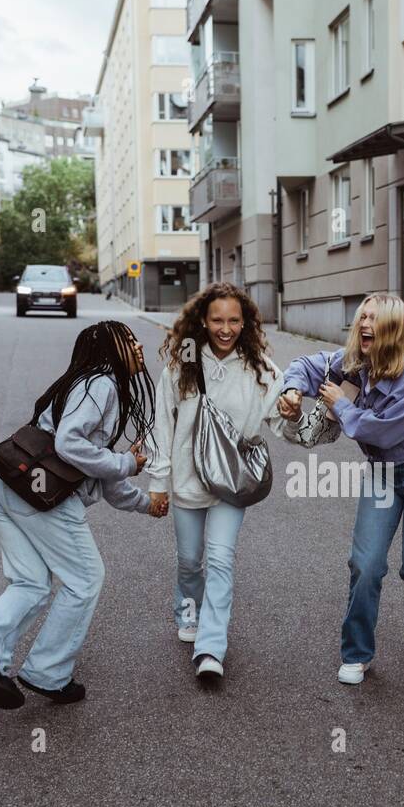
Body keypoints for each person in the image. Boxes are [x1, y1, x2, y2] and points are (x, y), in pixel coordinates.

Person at [0, 321, 165, 710]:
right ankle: (47, 673)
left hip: (7, 485)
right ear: (109, 351)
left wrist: (143, 501)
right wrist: (126, 462)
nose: (139, 347)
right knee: (86, 578)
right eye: (130, 341)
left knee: (30, 583)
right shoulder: (102, 383)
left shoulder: (86, 381)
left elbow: (103, 473)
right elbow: (71, 444)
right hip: (39, 497)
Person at [279, 293, 404, 686]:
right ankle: (357, 653)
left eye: (373, 318)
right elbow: (307, 364)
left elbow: (380, 431)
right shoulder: (356, 363)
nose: (363, 324)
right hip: (382, 475)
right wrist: (291, 391)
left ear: (392, 328)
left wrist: (340, 404)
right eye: (362, 317)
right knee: (366, 564)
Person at [148, 282, 286, 680]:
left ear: (245, 323)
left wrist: (295, 411)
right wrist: (159, 481)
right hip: (190, 481)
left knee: (221, 559)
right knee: (190, 560)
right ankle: (188, 610)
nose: (226, 329)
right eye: (217, 321)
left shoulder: (260, 367)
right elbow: (162, 423)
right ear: (203, 322)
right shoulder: (182, 364)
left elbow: (281, 423)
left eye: (234, 321)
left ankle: (211, 649)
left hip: (232, 482)